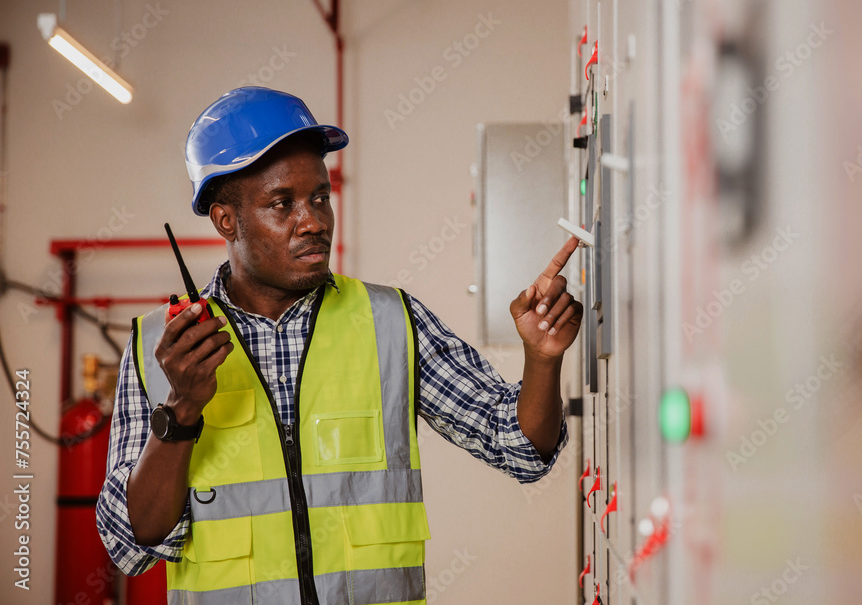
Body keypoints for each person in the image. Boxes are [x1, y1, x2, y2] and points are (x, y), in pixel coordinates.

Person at [96, 86, 583, 604]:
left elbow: (522, 449)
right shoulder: (160, 348)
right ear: (226, 220)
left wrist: (542, 360)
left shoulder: (391, 322)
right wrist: (182, 408)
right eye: (282, 204)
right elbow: (132, 543)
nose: (315, 221)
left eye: (320, 197)